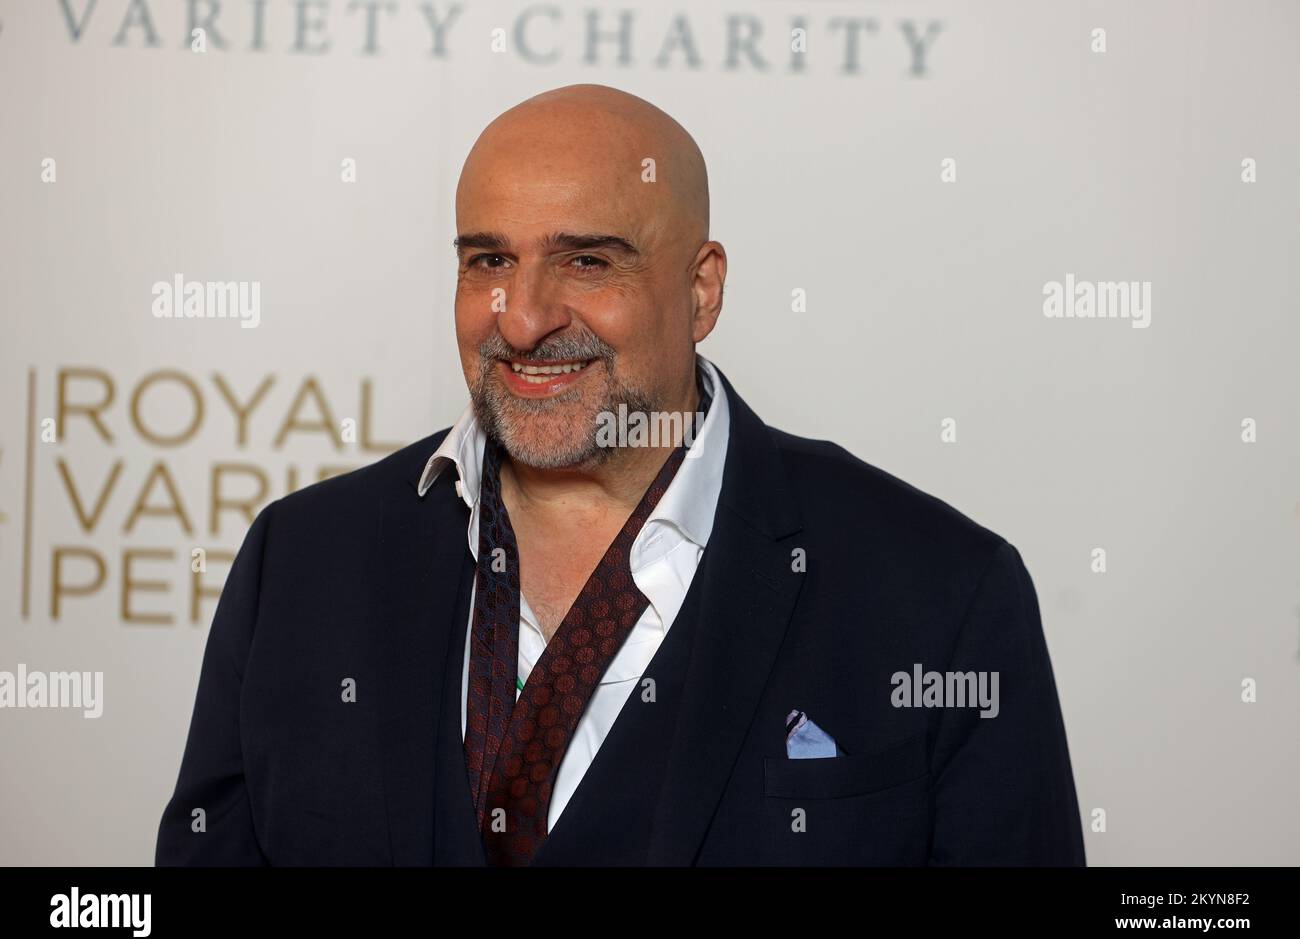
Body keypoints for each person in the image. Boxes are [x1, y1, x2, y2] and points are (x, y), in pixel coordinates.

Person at [156, 83, 1085, 866]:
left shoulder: (942, 595)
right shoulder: (303, 562)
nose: (521, 318)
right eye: (489, 260)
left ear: (702, 288)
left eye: (586, 260)